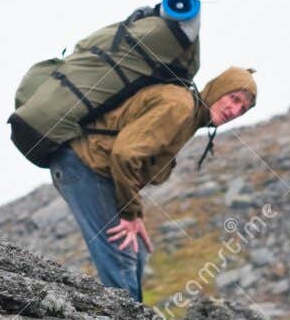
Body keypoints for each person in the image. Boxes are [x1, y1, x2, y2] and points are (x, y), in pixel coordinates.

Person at [50, 68, 257, 302]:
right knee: (122, 251)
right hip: (83, 164)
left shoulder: (190, 115)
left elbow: (132, 158)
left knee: (135, 250)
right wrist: (129, 213)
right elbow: (125, 155)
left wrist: (135, 216)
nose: (235, 110)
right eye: (234, 98)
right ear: (219, 89)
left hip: (93, 169)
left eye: (243, 108)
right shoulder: (180, 107)